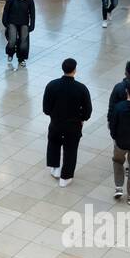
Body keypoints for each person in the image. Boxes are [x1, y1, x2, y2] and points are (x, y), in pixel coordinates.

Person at [43, 57, 93, 186]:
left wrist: (53, 114)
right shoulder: (81, 89)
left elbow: (46, 108)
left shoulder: (52, 85)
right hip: (73, 125)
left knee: (54, 143)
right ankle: (65, 177)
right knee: (70, 150)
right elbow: (88, 110)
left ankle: (55, 168)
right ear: (74, 70)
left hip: (56, 123)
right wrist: (83, 118)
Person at [2, 0, 36, 69]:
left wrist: (32, 25)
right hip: (12, 22)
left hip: (24, 22)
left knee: (23, 41)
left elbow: (32, 13)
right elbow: (6, 10)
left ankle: (21, 58)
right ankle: (10, 53)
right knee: (12, 39)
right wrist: (5, 21)